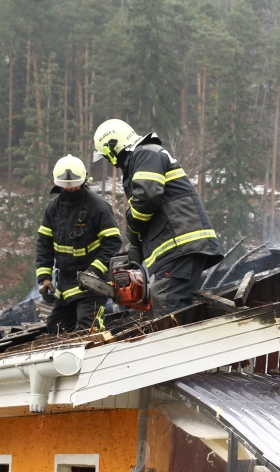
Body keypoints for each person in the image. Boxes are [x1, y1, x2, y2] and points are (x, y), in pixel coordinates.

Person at [92, 119, 223, 317]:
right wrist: (135, 248)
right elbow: (153, 211)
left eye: (106, 156)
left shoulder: (146, 153)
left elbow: (147, 197)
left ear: (112, 147)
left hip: (180, 245)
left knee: (166, 301)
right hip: (175, 249)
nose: (109, 161)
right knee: (160, 303)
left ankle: (176, 347)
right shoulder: (142, 160)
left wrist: (132, 228)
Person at [36, 154, 122, 335]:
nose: (71, 189)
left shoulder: (98, 206)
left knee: (88, 329)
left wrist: (93, 272)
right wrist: (44, 278)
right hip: (65, 286)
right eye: (66, 186)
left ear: (84, 179)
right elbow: (44, 244)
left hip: (93, 285)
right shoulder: (53, 208)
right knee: (55, 330)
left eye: (74, 185)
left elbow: (112, 242)